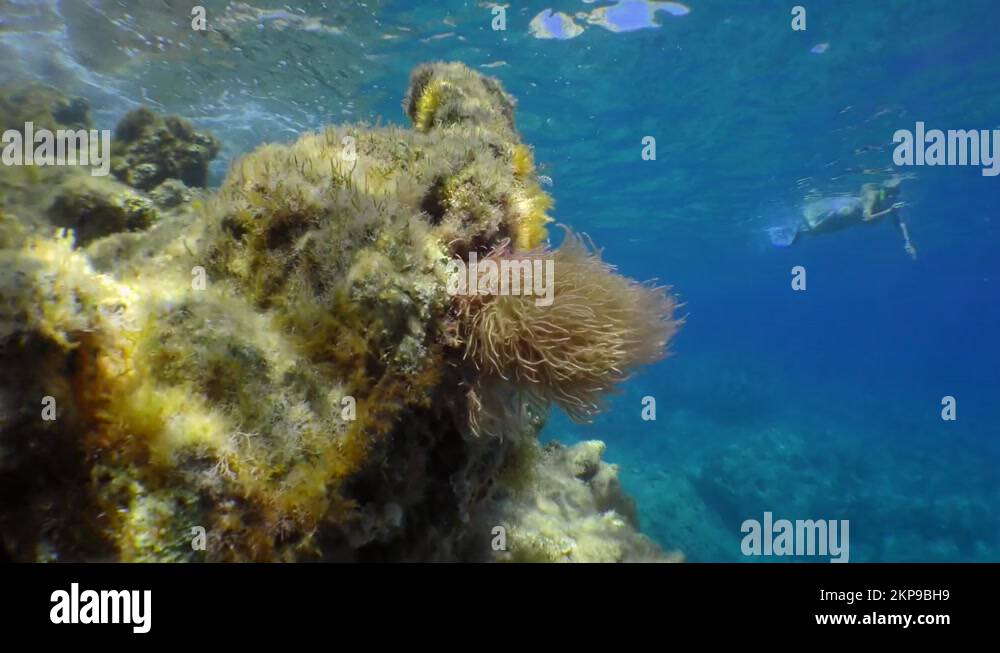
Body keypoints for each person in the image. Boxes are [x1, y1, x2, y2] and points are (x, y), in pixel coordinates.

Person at [770, 177, 917, 259]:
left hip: (847, 222)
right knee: (814, 230)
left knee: (814, 232)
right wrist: (889, 210)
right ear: (884, 191)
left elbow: (899, 222)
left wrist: (908, 242)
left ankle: (799, 229)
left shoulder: (890, 202)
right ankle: (800, 224)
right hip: (843, 212)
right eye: (890, 193)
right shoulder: (874, 196)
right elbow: (867, 217)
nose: (892, 197)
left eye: (895, 194)